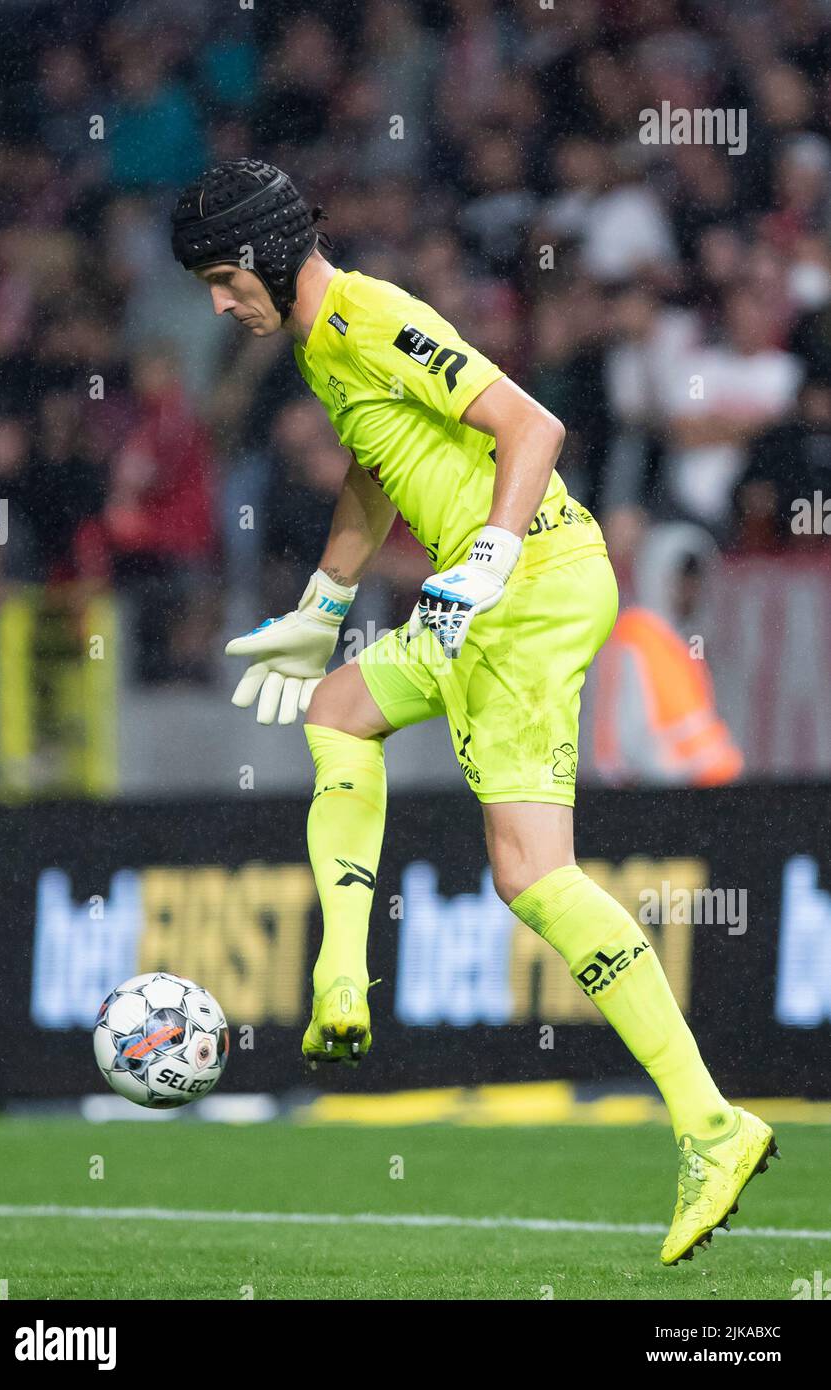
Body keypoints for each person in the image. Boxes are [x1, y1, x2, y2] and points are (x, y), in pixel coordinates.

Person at [171, 159, 778, 1265]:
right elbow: (373, 469)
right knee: (339, 710)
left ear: (262, 255)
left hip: (525, 587)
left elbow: (531, 427)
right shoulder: (321, 344)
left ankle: (708, 1122)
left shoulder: (366, 313)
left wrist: (488, 556)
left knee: (531, 875)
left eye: (221, 278)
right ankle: (342, 974)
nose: (218, 303)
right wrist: (324, 599)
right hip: (486, 598)